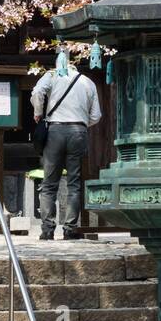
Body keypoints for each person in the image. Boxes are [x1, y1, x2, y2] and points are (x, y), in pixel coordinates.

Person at [31, 53, 102, 241]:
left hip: (55, 130)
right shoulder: (87, 82)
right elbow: (96, 116)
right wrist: (80, 124)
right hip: (78, 131)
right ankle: (70, 228)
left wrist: (38, 113)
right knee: (74, 183)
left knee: (49, 183)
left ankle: (47, 229)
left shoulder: (52, 75)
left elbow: (37, 92)